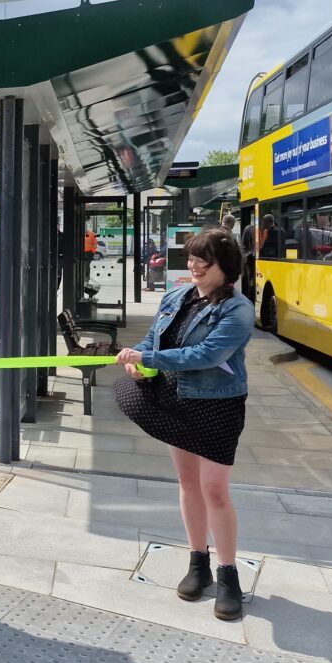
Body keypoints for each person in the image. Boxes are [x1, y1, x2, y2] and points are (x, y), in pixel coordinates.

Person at [113, 228, 253, 621]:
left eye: (201, 263)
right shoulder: (176, 296)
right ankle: (198, 563)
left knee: (215, 491)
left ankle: (229, 576)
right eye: (190, 260)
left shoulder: (236, 310)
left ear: (224, 267)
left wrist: (152, 361)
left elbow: (208, 353)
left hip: (217, 405)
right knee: (188, 483)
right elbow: (152, 341)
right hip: (175, 398)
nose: (192, 267)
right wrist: (137, 359)